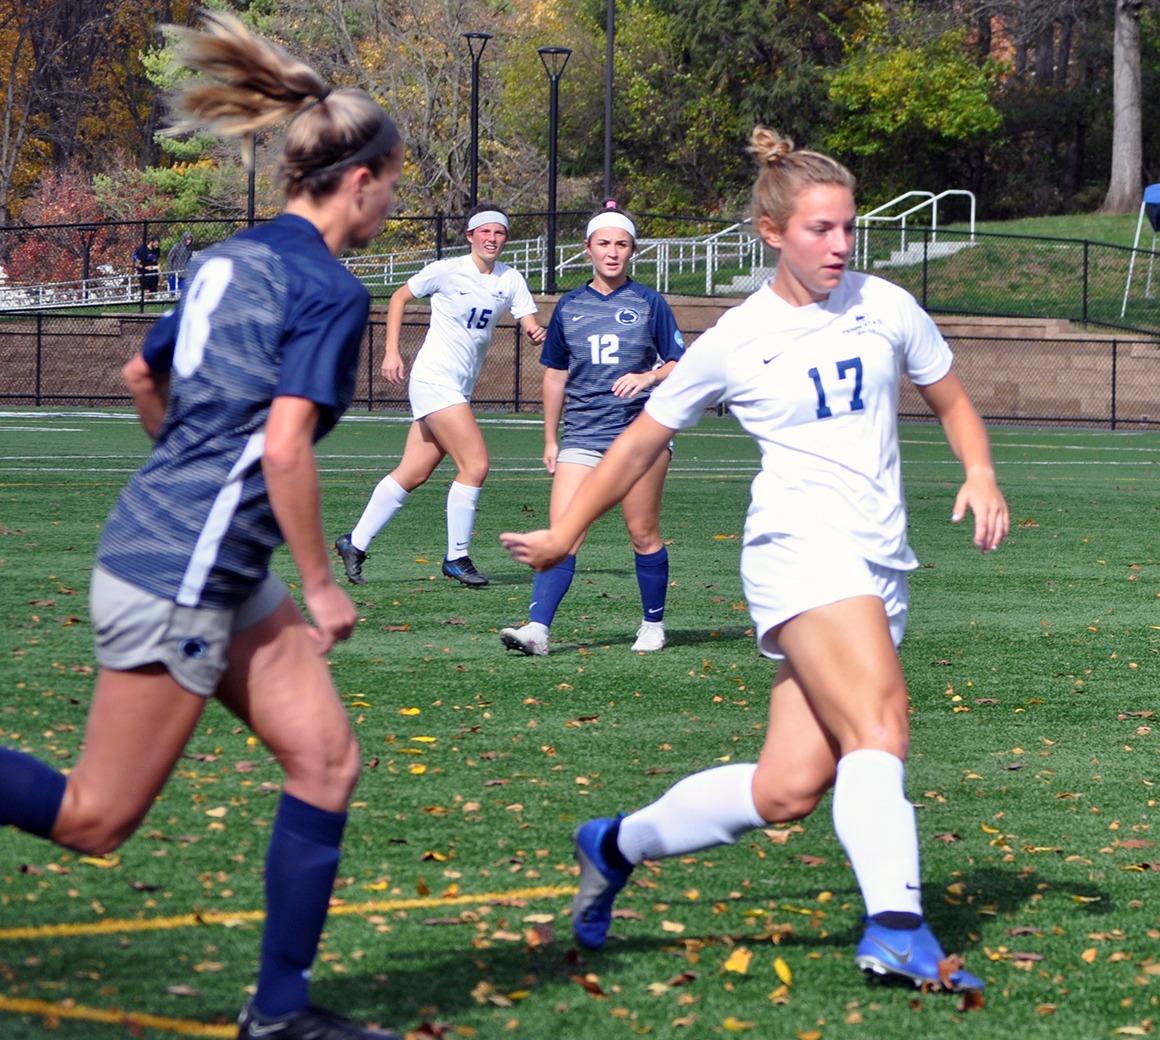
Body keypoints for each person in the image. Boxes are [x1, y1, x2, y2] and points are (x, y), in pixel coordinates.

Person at [501, 126, 1009, 993]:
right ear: (773, 233)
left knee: (787, 790)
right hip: (799, 553)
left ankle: (613, 843)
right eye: (821, 230)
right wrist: (565, 532)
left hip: (880, 560)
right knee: (879, 725)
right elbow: (634, 445)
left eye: (849, 228)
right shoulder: (737, 337)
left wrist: (982, 470)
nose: (841, 245)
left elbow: (951, 397)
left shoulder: (884, 305)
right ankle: (895, 929)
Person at [0, 13, 401, 1040]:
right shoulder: (328, 290)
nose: (393, 201)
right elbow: (282, 448)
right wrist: (321, 583)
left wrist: (184, 477)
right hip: (184, 572)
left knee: (325, 758)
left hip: (202, 559)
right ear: (360, 181)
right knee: (96, 816)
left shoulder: (231, 255)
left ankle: (280, 1012)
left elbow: (147, 372)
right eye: (391, 182)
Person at [498, 209, 685, 657]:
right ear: (588, 249)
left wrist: (648, 377)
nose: (613, 252)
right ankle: (537, 630)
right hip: (582, 436)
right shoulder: (569, 305)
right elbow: (555, 376)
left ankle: (653, 625)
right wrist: (550, 438)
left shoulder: (649, 302)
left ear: (632, 251)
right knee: (564, 532)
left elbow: (681, 363)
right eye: (604, 244)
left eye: (621, 244)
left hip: (640, 437)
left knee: (642, 533)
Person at [334, 205, 545, 588]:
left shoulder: (510, 279)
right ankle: (457, 557)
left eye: (499, 233)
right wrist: (391, 351)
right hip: (434, 379)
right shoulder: (447, 270)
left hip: (456, 386)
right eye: (484, 232)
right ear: (469, 236)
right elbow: (399, 298)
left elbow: (529, 322)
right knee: (476, 464)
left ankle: (354, 542)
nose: (491, 238)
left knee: (413, 472)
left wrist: (538, 332)